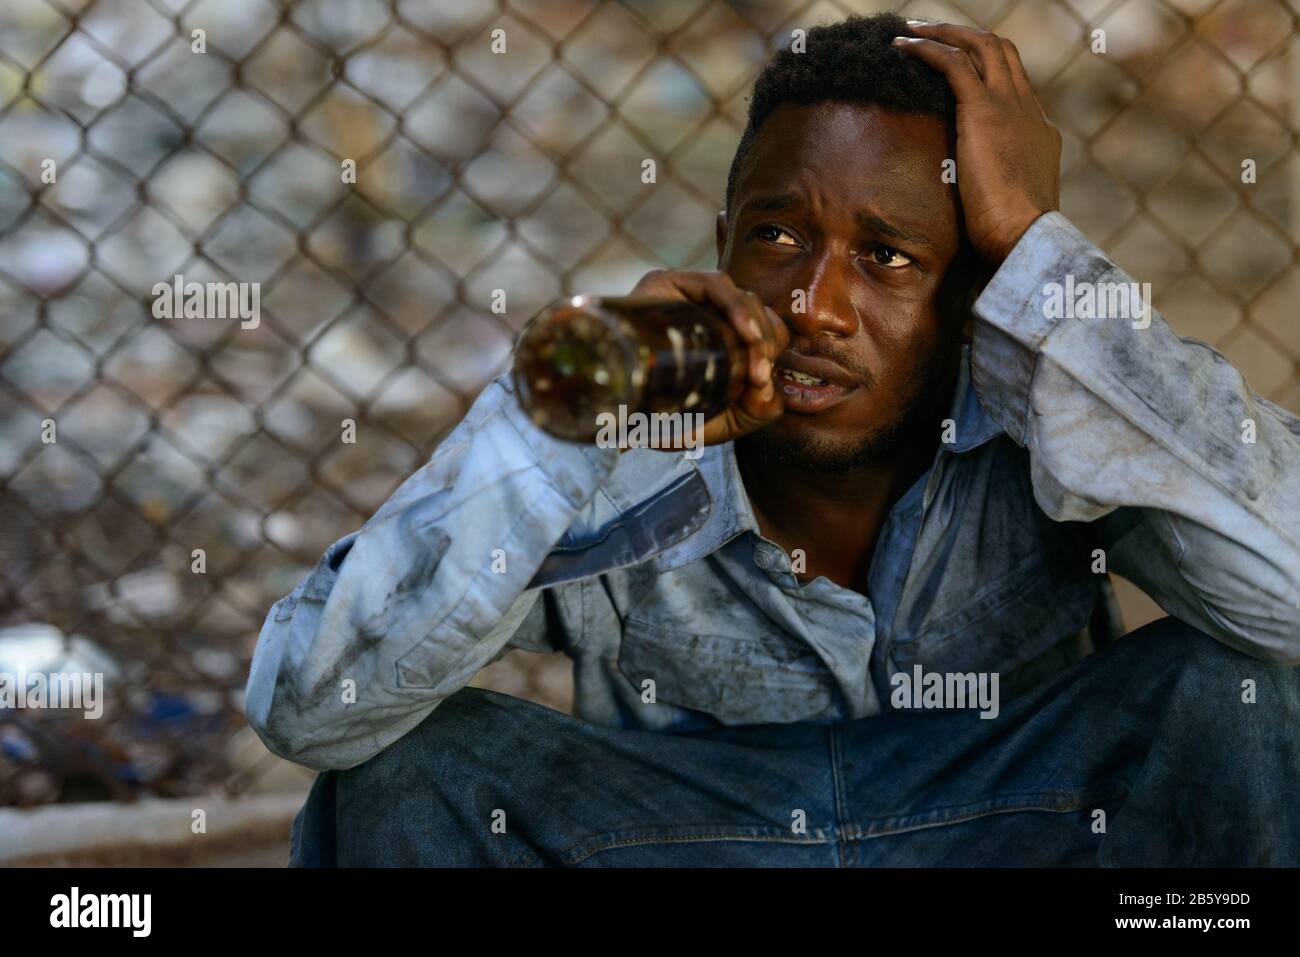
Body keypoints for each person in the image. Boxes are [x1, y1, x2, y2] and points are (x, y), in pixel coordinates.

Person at [245, 13, 1300, 866]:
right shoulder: (621, 430)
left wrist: (1040, 260)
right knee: (404, 771)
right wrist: (563, 417)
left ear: (977, 291)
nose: (815, 306)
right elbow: (311, 710)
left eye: (887, 257)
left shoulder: (1059, 413)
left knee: (1238, 686)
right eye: (778, 237)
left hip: (1019, 832)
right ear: (719, 248)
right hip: (694, 844)